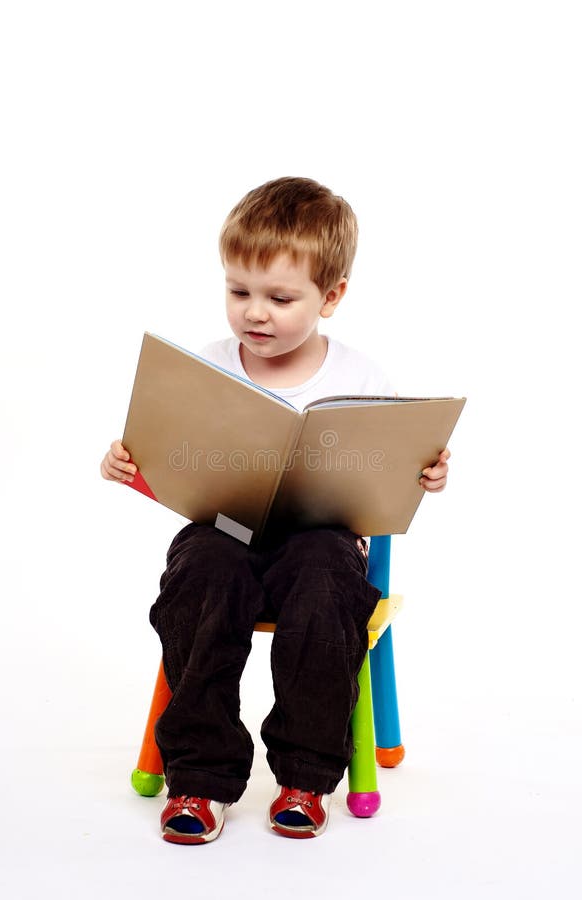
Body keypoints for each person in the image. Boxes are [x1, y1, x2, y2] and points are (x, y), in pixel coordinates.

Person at [100, 177, 450, 844]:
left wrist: (424, 472)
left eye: (280, 298)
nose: (255, 313)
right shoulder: (208, 366)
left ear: (332, 296)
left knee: (325, 589)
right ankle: (200, 779)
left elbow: (392, 468)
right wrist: (125, 462)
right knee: (201, 575)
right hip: (226, 530)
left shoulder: (362, 377)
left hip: (322, 543)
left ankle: (305, 775)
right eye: (239, 292)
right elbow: (165, 454)